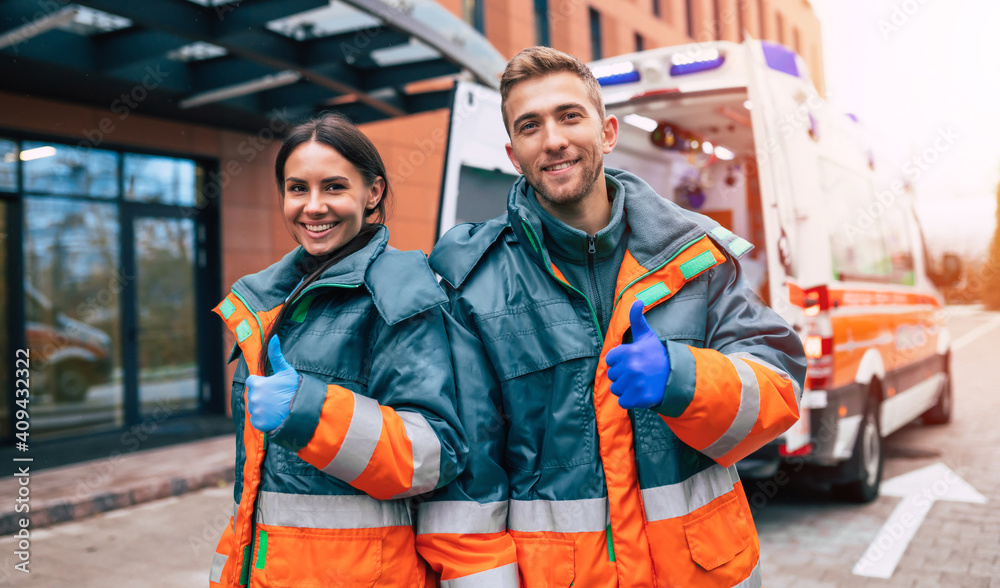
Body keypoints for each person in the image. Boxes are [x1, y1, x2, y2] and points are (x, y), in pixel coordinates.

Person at [416, 47, 806, 588]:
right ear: (513, 152)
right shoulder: (473, 285)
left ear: (608, 132)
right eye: (531, 126)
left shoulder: (692, 255)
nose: (552, 139)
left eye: (569, 116)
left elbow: (781, 385)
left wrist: (683, 378)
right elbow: (466, 486)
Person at [208, 113, 466, 587]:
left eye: (333, 187)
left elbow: (434, 454)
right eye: (297, 189)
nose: (313, 206)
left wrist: (308, 411)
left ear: (373, 193)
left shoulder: (399, 293)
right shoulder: (267, 301)